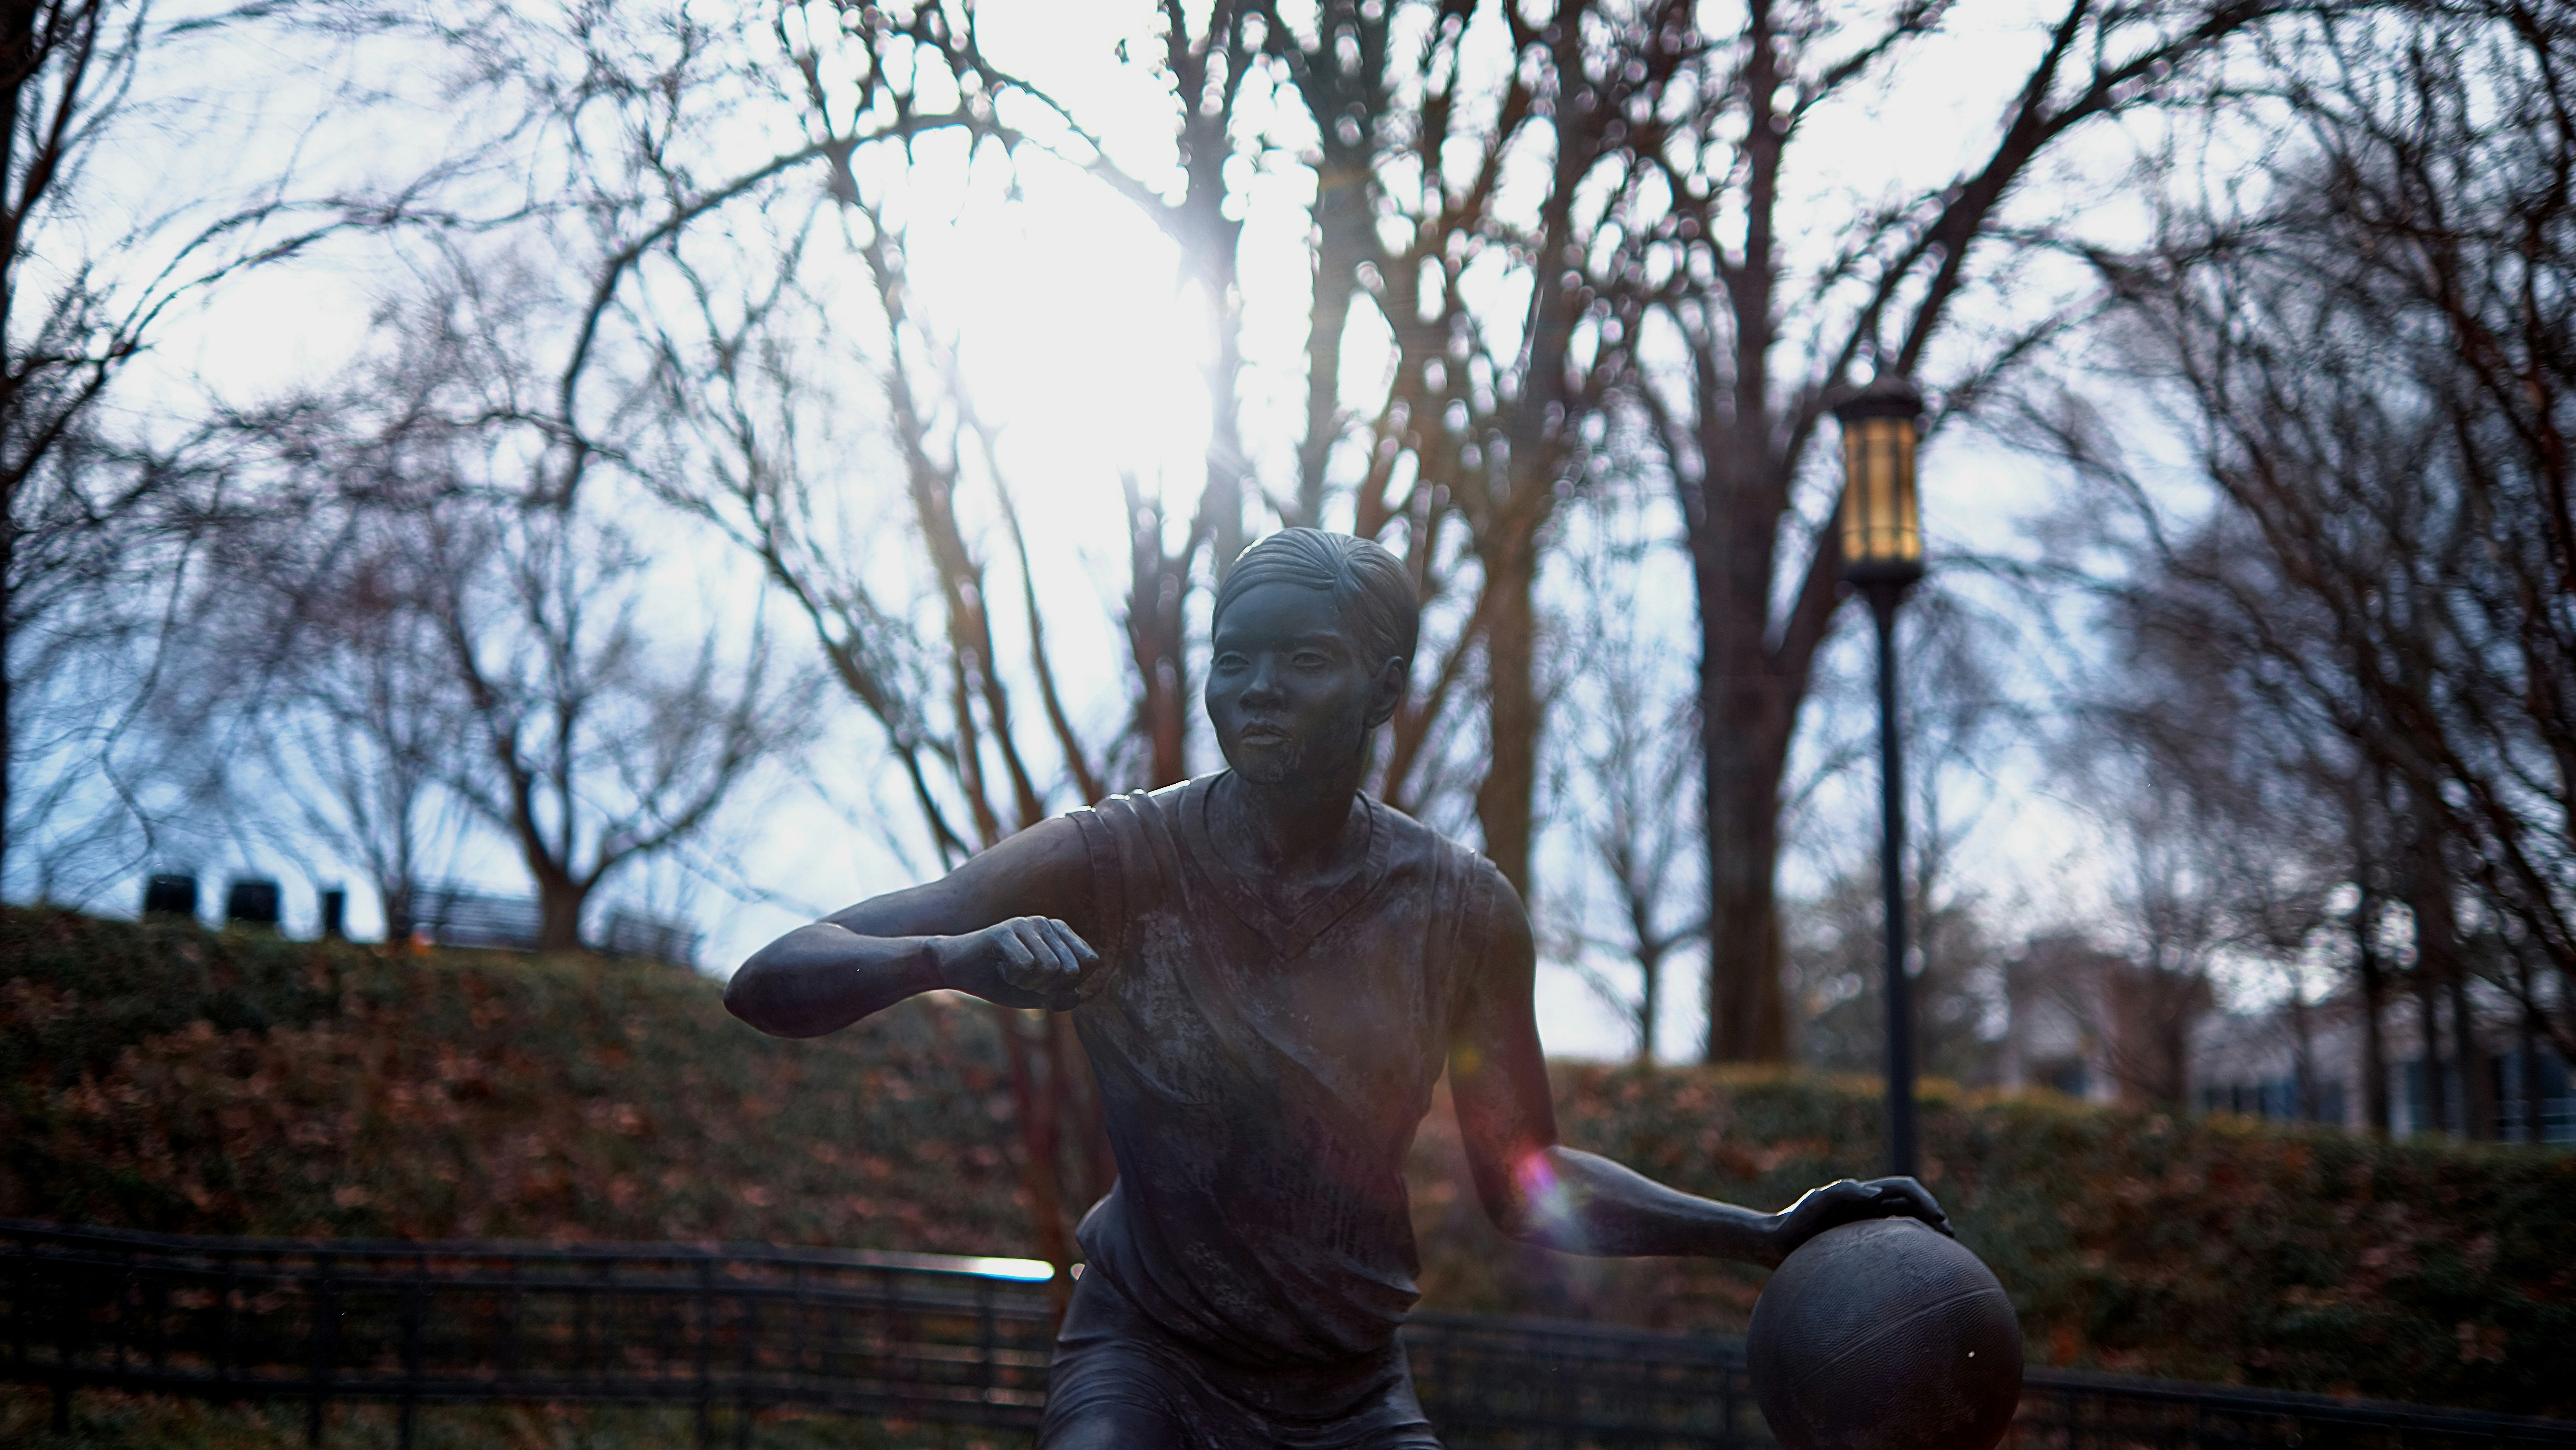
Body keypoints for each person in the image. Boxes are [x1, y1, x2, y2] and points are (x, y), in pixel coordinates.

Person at [726, 529, 1948, 1450]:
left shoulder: (1461, 911)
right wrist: (949, 960)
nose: (1254, 689)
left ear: (1386, 685)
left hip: (1348, 1396)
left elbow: (1527, 1183)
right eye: (1231, 660)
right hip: (1148, 1361)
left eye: (1303, 661)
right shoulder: (1116, 857)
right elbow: (769, 977)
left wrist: (1765, 1234)